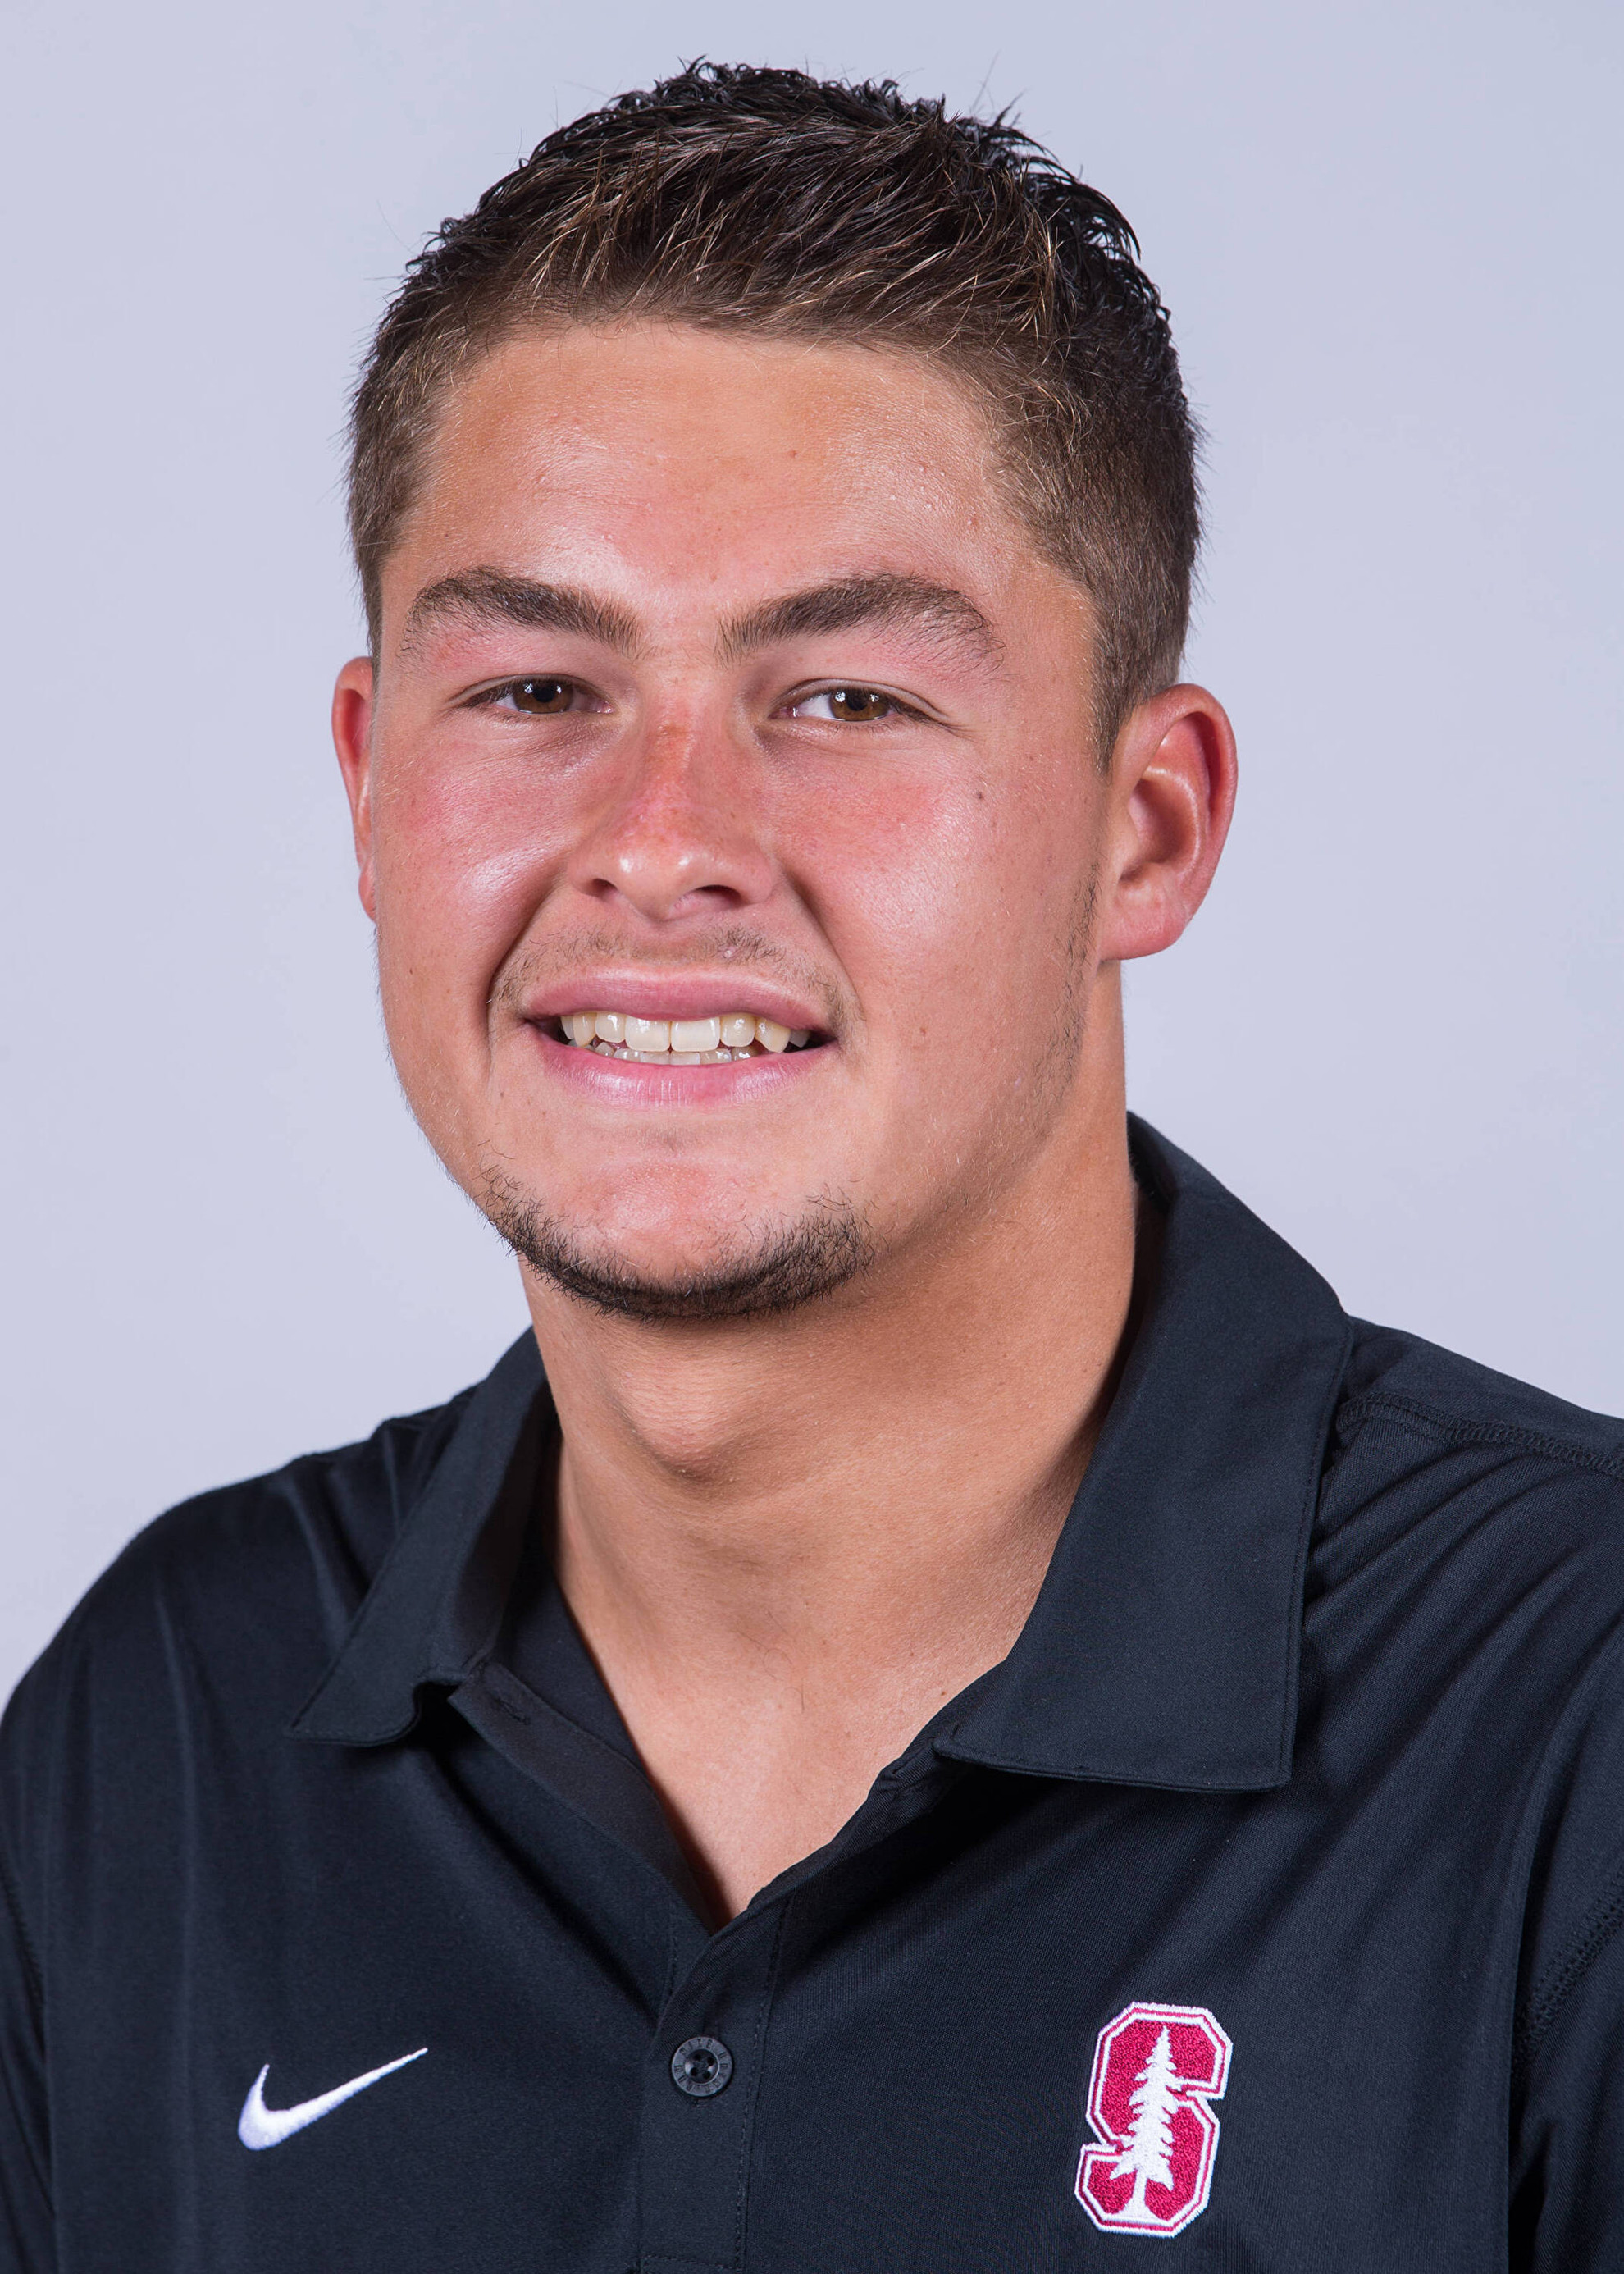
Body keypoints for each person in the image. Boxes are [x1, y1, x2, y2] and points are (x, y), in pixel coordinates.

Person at [2, 62, 1620, 2273]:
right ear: (374, 786)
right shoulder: (160, 1726)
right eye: (537, 687)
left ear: (1145, 825)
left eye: (846, 698)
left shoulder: (1566, 1716)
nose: (662, 840)